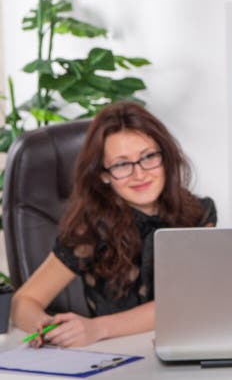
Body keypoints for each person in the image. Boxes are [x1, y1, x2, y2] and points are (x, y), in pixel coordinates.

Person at [11, 102, 216, 348]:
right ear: (104, 174)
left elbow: (186, 300)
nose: (139, 174)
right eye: (121, 165)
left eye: (148, 157)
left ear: (165, 157)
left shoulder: (198, 214)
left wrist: (98, 328)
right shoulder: (89, 228)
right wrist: (46, 325)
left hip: (181, 350)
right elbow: (23, 301)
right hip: (113, 358)